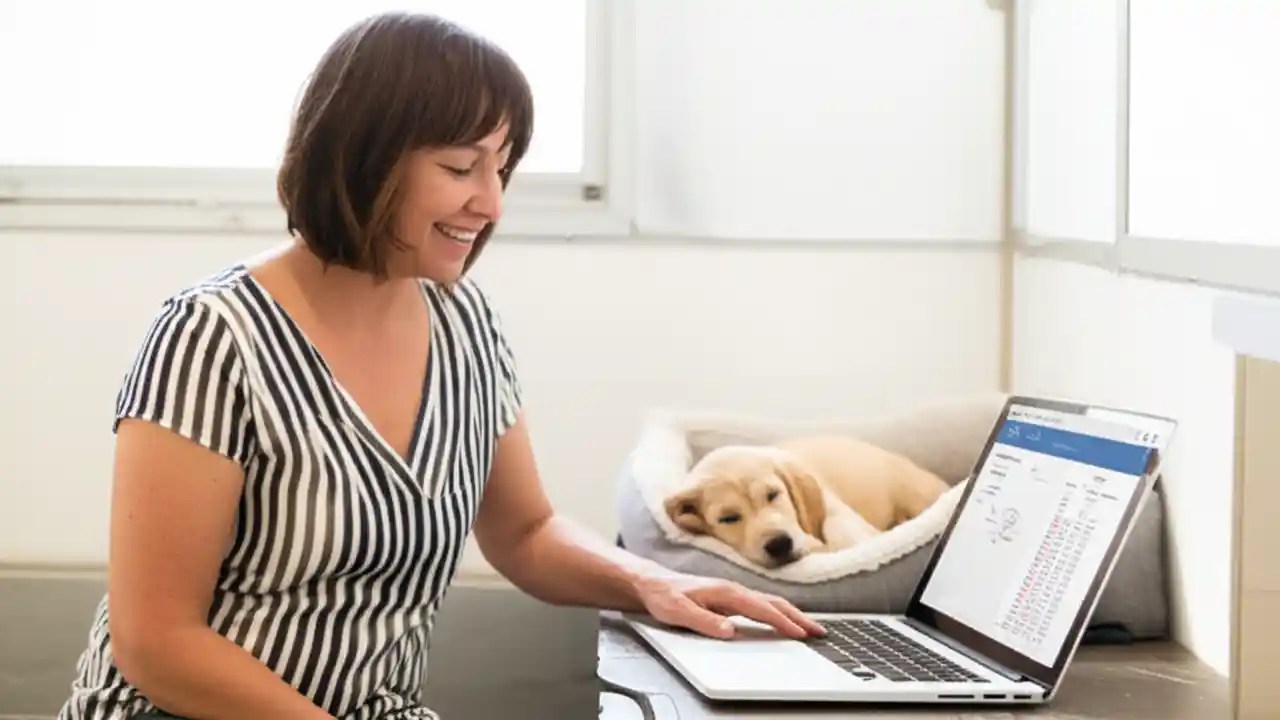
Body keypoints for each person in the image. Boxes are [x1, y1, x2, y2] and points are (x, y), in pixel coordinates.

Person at [58, 10, 824, 720]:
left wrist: (656, 583)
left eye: (502, 169)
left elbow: (524, 530)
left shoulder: (465, 323)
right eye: (461, 168)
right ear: (365, 158)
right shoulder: (211, 336)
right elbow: (157, 641)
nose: (491, 204)